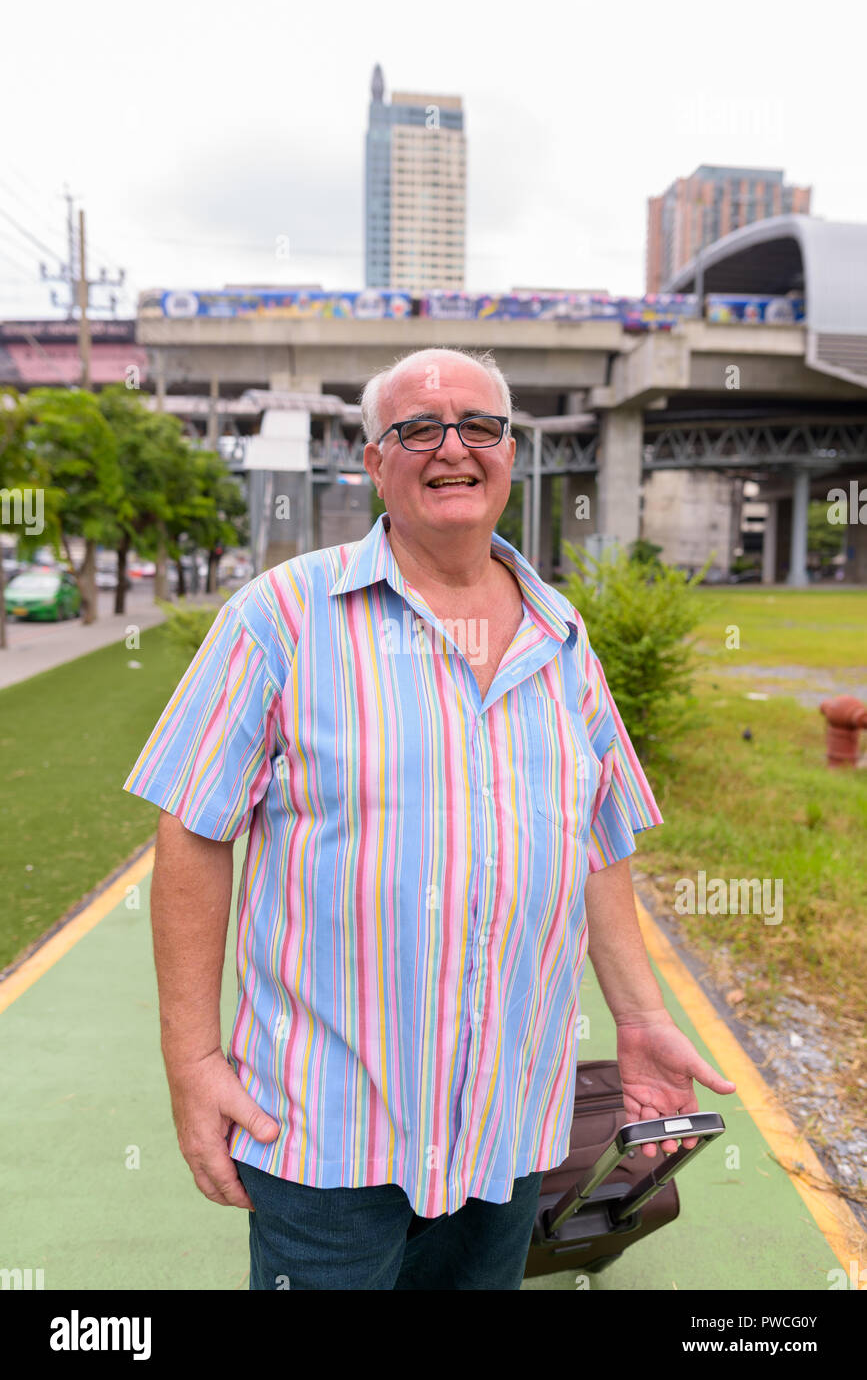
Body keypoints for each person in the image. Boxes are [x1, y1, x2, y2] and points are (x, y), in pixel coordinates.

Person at [123, 346, 736, 1291]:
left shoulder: (562, 637)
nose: (451, 447)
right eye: (416, 428)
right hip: (324, 1126)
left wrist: (642, 1016)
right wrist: (193, 1058)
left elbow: (596, 841)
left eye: (478, 426)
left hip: (510, 1120)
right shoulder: (281, 618)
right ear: (375, 461)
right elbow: (194, 831)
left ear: (509, 451)